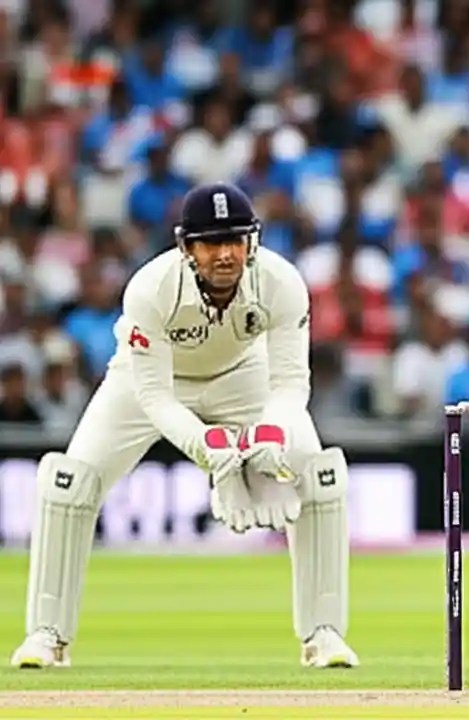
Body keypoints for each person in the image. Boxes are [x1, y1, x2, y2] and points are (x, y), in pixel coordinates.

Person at [10, 183, 358, 670]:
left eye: (235, 241)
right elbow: (155, 397)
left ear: (252, 243)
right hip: (147, 378)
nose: (225, 255)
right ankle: (48, 636)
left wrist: (269, 438)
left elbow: (290, 384)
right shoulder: (150, 290)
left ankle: (323, 635)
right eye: (211, 243)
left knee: (319, 475)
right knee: (70, 483)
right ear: (186, 248)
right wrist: (210, 451)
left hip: (246, 375)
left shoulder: (281, 283)